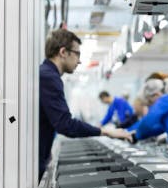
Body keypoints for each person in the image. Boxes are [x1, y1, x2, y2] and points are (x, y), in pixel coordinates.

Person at [39, 29, 130, 179]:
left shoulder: (46, 75)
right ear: (63, 52)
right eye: (77, 54)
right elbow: (65, 124)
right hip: (29, 166)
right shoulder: (49, 77)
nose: (79, 60)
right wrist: (105, 132)